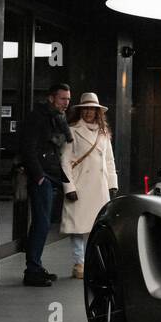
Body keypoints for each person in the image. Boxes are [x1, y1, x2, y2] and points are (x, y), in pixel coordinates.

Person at [60, 93, 118, 280]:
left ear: (97, 112)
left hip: (100, 187)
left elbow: (109, 160)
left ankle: (94, 262)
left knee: (96, 227)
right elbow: (65, 161)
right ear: (80, 111)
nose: (89, 112)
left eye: (92, 109)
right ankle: (79, 263)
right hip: (79, 185)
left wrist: (112, 184)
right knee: (77, 226)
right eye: (85, 108)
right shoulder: (72, 130)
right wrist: (69, 187)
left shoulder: (104, 133)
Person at [19, 83, 72, 286]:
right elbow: (28, 147)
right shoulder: (38, 117)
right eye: (62, 99)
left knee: (43, 223)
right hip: (42, 176)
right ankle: (32, 270)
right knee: (41, 223)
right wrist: (39, 176)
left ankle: (35, 267)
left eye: (68, 99)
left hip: (50, 175)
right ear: (51, 98)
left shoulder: (56, 118)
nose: (66, 103)